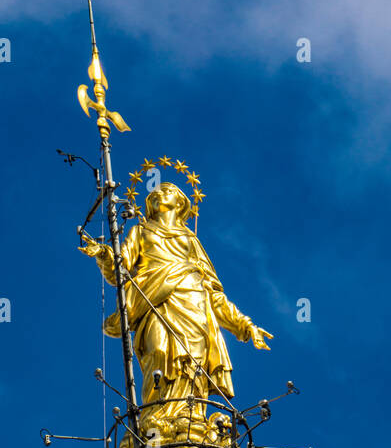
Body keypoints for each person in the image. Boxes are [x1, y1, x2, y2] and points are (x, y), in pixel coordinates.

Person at [80, 183, 271, 433]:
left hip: (194, 305)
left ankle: (190, 416)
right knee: (158, 351)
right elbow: (120, 270)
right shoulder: (141, 231)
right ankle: (156, 414)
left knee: (193, 364)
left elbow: (214, 293)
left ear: (180, 202)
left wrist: (245, 326)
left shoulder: (190, 240)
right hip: (154, 300)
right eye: (155, 192)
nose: (159, 192)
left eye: (167, 190)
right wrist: (103, 254)